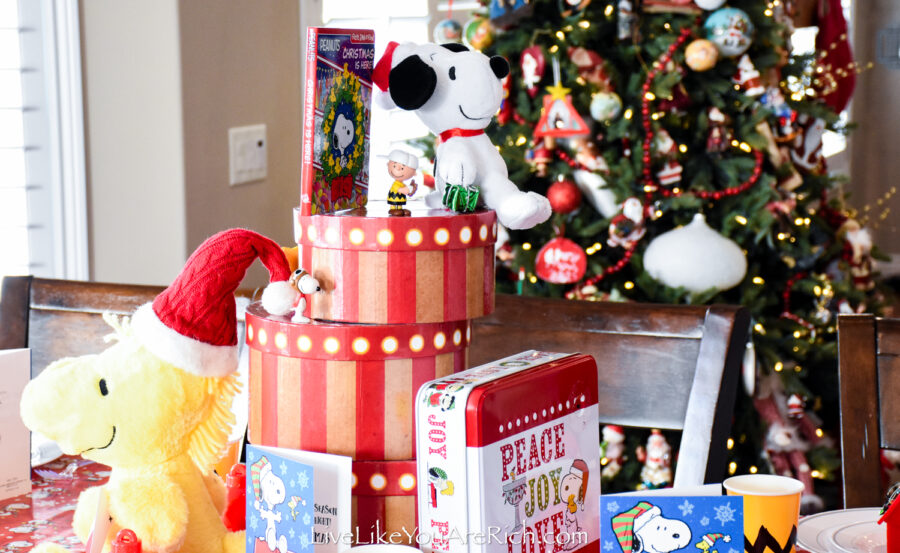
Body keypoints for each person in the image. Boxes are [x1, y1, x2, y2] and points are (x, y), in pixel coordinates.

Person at [387, 149, 418, 216]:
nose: (398, 169)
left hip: (400, 202)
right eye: (394, 166)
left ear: (414, 173)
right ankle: (393, 209)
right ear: (388, 165)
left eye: (402, 168)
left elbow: (408, 193)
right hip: (394, 201)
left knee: (400, 210)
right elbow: (401, 190)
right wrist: (407, 190)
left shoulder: (402, 184)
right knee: (397, 210)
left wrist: (412, 189)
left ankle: (400, 209)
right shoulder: (395, 184)